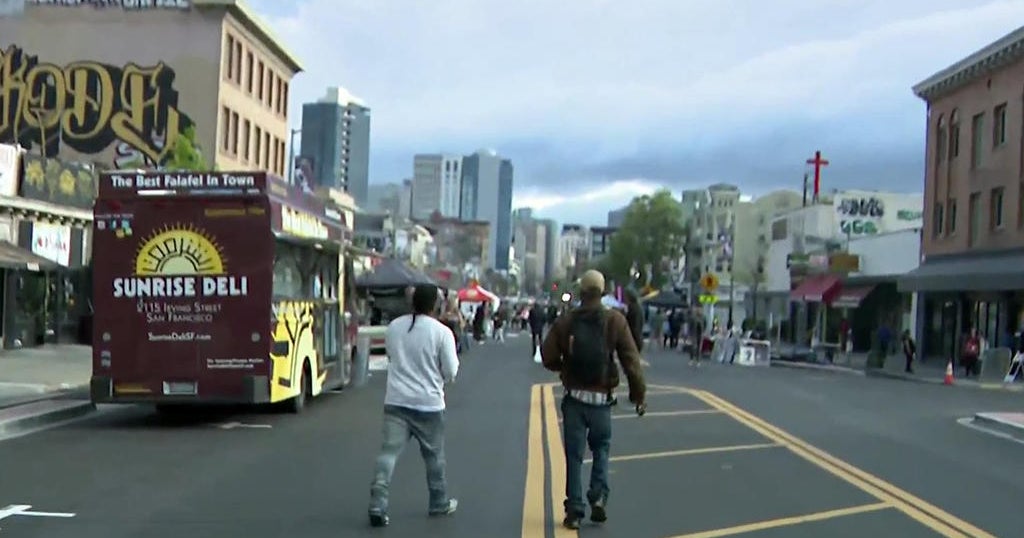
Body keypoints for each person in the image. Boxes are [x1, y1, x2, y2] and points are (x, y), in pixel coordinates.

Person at [540, 270, 646, 530]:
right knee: (601, 448)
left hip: (574, 398)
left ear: (581, 291)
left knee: (574, 456)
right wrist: (638, 395)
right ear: (603, 291)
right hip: (602, 400)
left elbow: (547, 355)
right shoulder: (615, 320)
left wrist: (563, 367)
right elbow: (631, 362)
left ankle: (574, 510)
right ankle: (598, 495)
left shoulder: (566, 321)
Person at [367, 284, 460, 527]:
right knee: (434, 457)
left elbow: (391, 357)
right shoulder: (442, 332)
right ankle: (438, 502)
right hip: (429, 404)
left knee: (388, 453)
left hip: (396, 400)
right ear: (435, 305)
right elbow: (450, 371)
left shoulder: (395, 327)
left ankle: (378, 500)